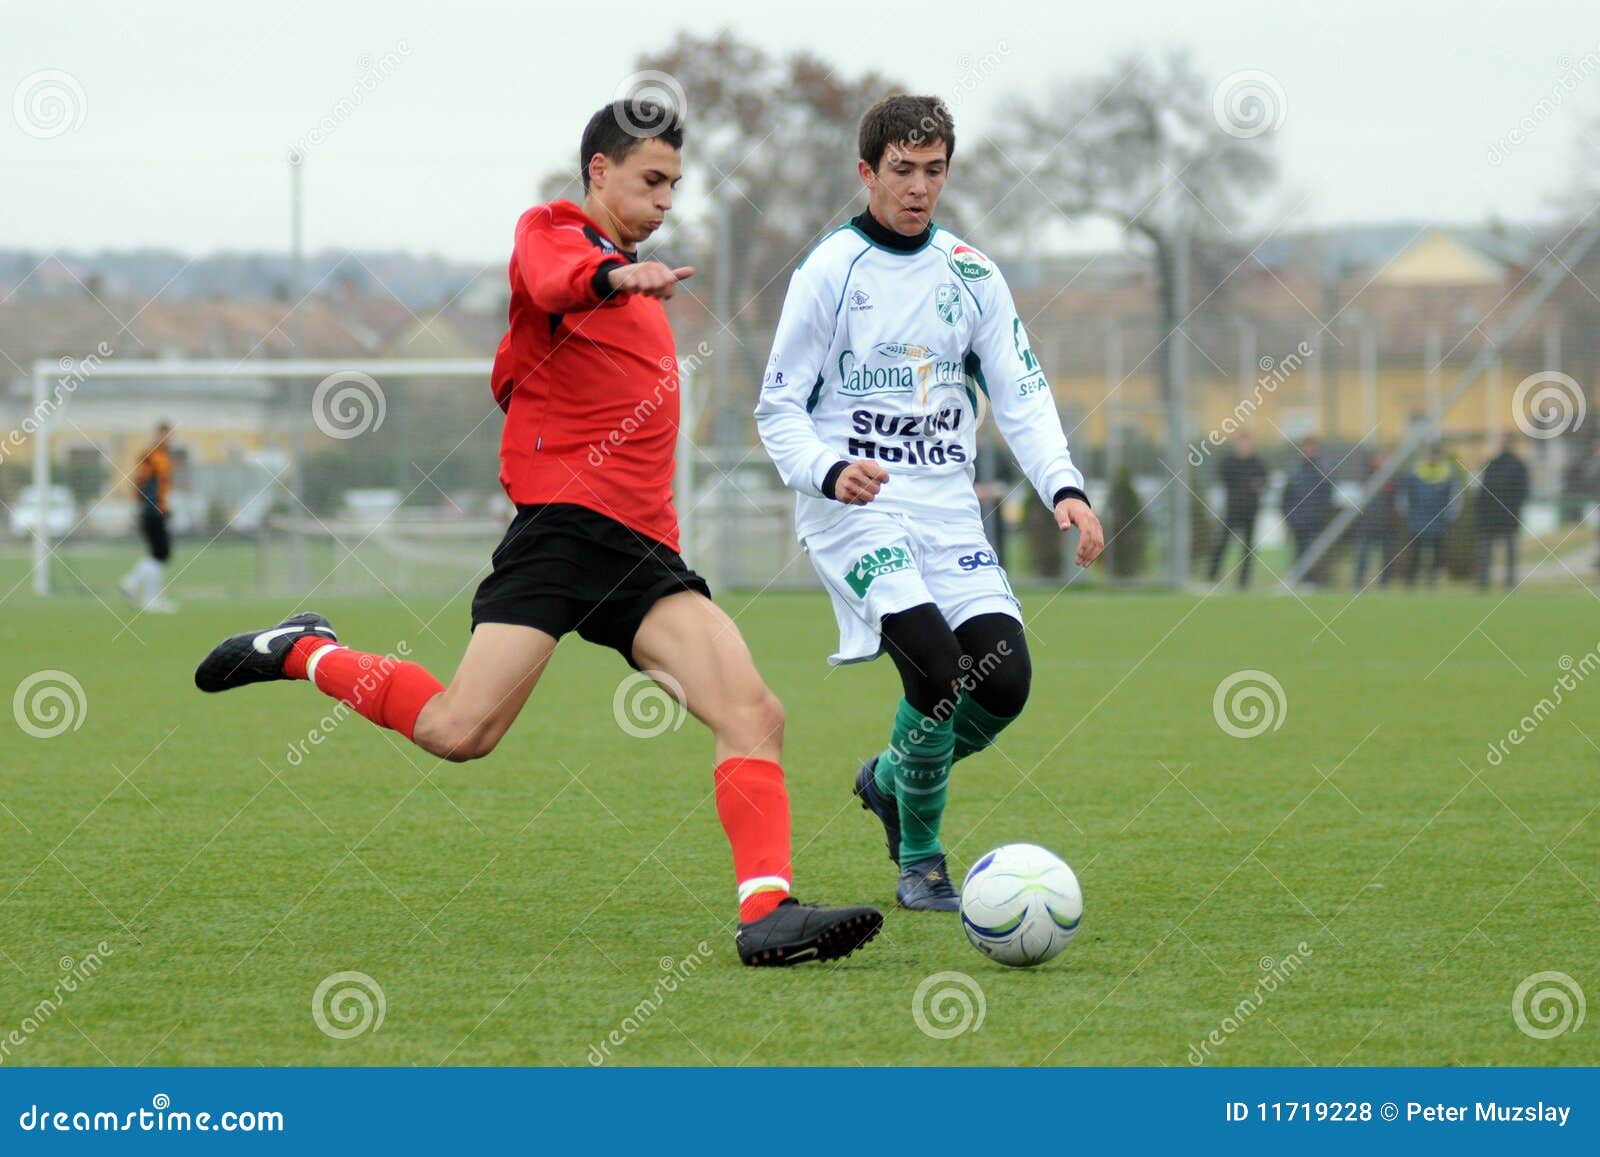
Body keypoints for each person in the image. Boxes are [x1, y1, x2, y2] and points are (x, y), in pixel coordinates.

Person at [194, 100, 882, 967]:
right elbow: (556, 277)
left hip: (641, 555)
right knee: (459, 731)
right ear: (599, 172)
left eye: (675, 183)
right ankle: (304, 650)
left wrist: (627, 285)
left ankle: (768, 915)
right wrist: (611, 279)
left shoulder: (636, 282)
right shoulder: (554, 234)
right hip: (559, 535)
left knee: (754, 711)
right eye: (651, 180)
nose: (667, 198)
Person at [755, 95, 1105, 912]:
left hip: (947, 512)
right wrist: (828, 469)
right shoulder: (829, 272)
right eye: (902, 170)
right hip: (855, 510)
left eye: (934, 170)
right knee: (939, 674)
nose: (918, 187)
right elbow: (777, 409)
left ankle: (888, 778)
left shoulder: (972, 273)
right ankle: (921, 859)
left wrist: (1065, 486)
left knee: (1005, 683)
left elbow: (1022, 391)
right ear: (867, 172)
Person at [119, 422, 177, 613]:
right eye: (164, 435)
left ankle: (137, 586)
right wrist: (150, 506)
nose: (168, 440)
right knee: (160, 552)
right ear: (157, 435)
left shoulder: (162, 456)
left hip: (157, 509)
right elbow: (142, 483)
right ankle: (143, 593)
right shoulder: (152, 457)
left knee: (158, 554)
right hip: (152, 510)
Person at [1206, 433, 1268, 588]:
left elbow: (1264, 482)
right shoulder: (1229, 462)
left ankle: (1243, 582)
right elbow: (1221, 476)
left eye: (1248, 444)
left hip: (1251, 512)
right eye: (1242, 444)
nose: (1245, 447)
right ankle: (1211, 576)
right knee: (1222, 543)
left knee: (1248, 547)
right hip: (1232, 510)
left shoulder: (1258, 463)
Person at [1476, 437, 1529, 589]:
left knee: (1510, 551)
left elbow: (1522, 492)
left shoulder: (1518, 466)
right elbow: (1484, 491)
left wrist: (1513, 510)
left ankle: (1509, 583)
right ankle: (1483, 582)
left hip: (1508, 516)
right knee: (1485, 551)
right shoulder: (1493, 464)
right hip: (1490, 516)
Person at [1401, 443, 1457, 586]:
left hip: (1439, 522)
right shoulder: (1415, 472)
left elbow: (1455, 498)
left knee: (1437, 555)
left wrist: (1450, 516)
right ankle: (1410, 581)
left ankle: (1433, 582)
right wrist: (1408, 515)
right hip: (1417, 521)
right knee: (1415, 553)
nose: (1433, 457)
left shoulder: (1447, 474)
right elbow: (1405, 496)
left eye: (1436, 454)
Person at [1281, 436, 1332, 586]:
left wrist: (1321, 516)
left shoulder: (1322, 470)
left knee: (1314, 552)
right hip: (1297, 520)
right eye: (1306, 447)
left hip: (1316, 520)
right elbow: (1286, 496)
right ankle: (1298, 580)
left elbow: (1326, 496)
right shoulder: (1294, 470)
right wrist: (1289, 516)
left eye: (1312, 447)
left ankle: (1313, 581)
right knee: (1298, 550)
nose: (1308, 451)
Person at [1352, 449, 1399, 589]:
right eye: (1379, 458)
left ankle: (1384, 583)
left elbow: (1397, 502)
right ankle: (1358, 582)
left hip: (1387, 524)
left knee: (1387, 557)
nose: (1381, 462)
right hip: (1367, 524)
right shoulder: (1366, 477)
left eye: (1384, 459)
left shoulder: (1392, 480)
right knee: (1362, 554)